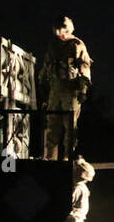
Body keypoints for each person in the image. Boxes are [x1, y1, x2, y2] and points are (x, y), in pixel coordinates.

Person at [39, 15, 92, 160]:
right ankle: (51, 159)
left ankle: (68, 160)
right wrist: (43, 85)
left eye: (60, 28)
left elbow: (85, 67)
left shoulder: (77, 44)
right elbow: (46, 66)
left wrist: (83, 90)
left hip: (71, 90)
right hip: (55, 89)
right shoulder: (53, 45)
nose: (58, 31)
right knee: (52, 126)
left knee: (70, 127)